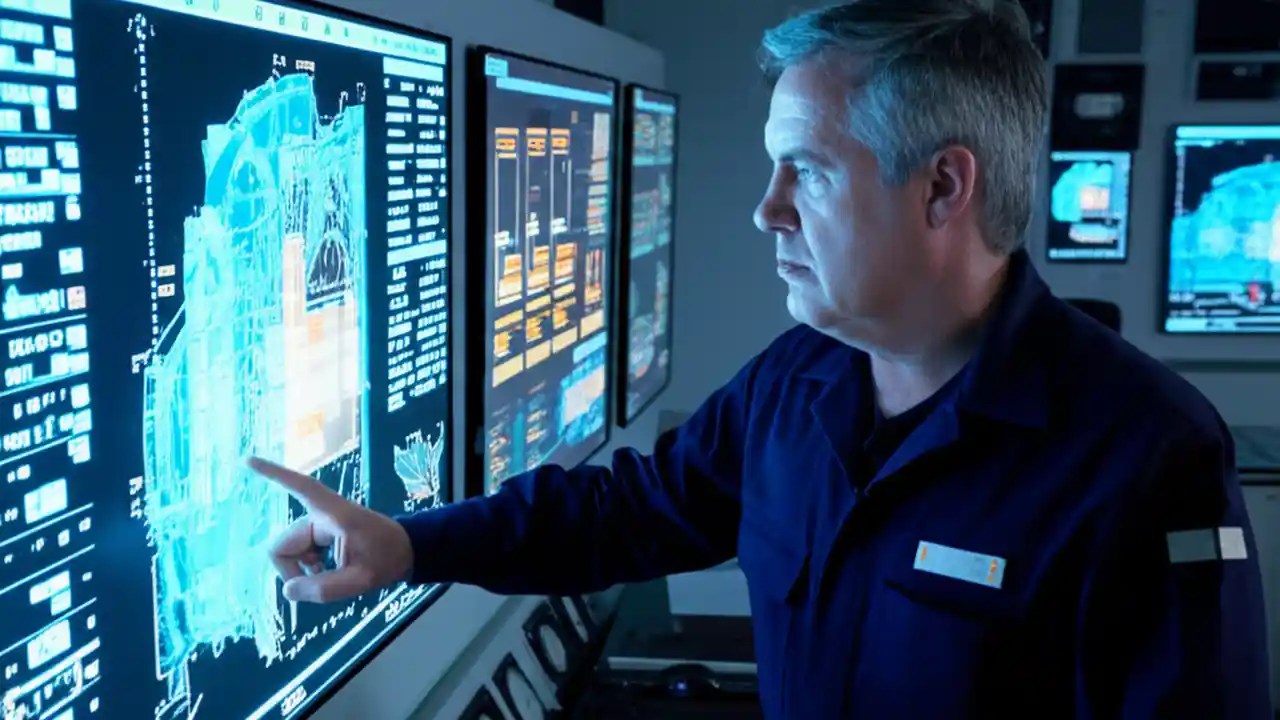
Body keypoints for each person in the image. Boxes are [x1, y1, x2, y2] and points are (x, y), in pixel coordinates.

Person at [250, 0, 1272, 716]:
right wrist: (411, 545)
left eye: (807, 172)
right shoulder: (799, 379)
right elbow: (629, 512)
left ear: (942, 188)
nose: (765, 209)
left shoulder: (1145, 456)